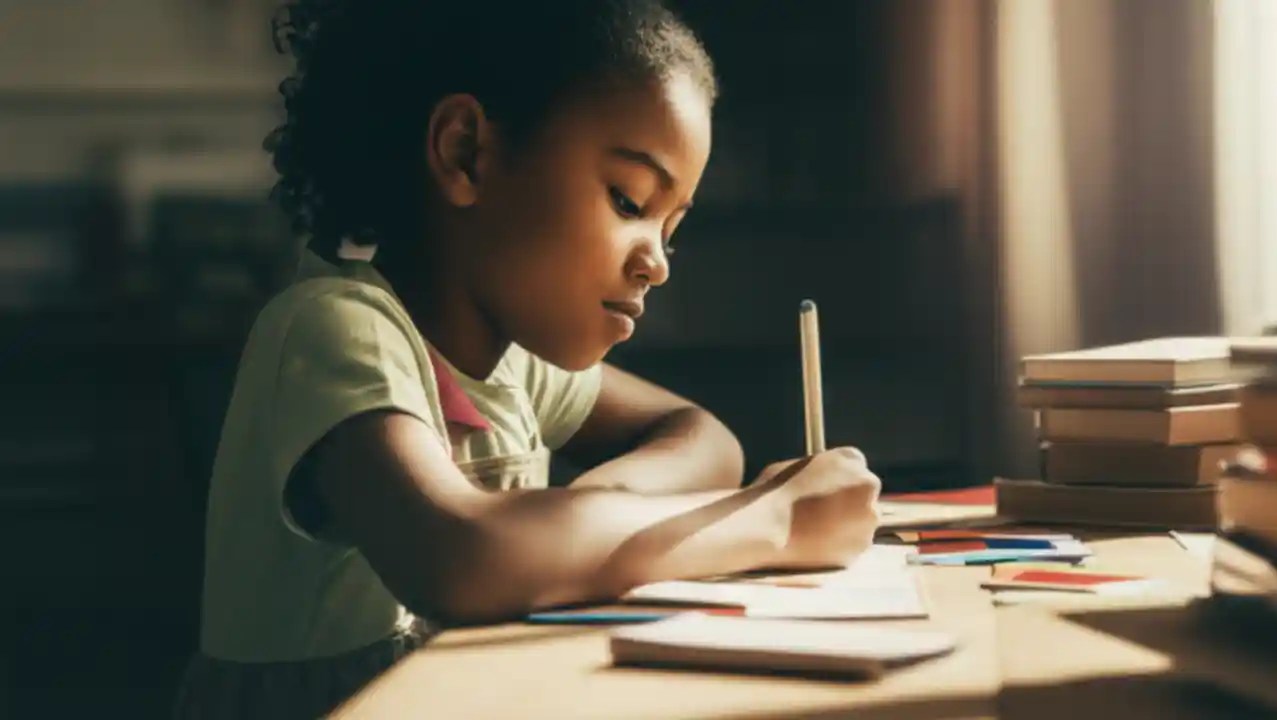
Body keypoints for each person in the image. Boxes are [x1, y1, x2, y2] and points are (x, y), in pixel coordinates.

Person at [174, 1, 880, 717]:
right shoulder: (334, 328)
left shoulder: (511, 360)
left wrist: (576, 523)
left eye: (673, 228)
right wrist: (771, 522)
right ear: (465, 153)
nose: (658, 264)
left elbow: (704, 440)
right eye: (629, 201)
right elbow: (462, 557)